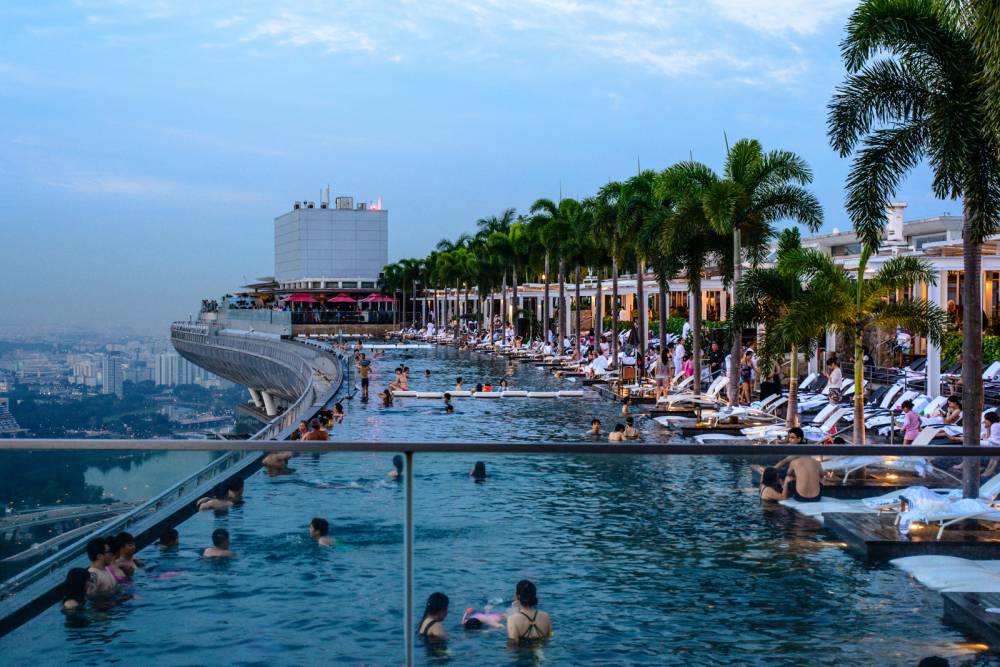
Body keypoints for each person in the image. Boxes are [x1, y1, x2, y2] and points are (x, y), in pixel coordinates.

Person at [775, 435, 823, 502]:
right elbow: (822, 475)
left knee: (788, 478)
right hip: (817, 497)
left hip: (800, 497)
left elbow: (789, 474)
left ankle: (784, 496)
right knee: (820, 478)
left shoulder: (794, 462)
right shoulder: (817, 462)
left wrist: (798, 474)